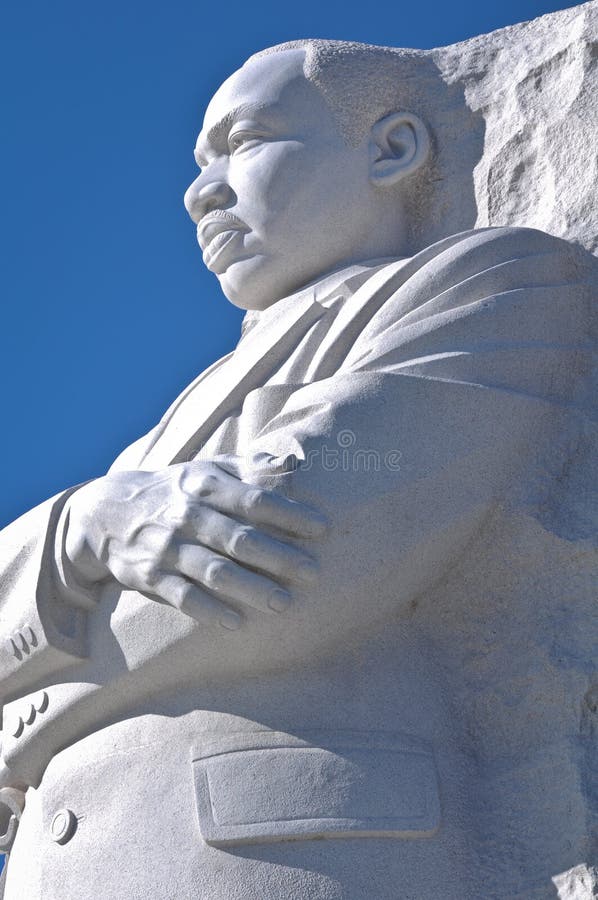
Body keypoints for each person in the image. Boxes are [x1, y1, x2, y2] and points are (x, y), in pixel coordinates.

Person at [0, 41, 595, 900]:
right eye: (198, 165)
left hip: (289, 856)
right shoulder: (148, 447)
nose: (200, 192)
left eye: (242, 141)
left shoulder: (495, 281)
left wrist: (18, 724)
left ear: (391, 150)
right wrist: (83, 525)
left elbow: (293, 542)